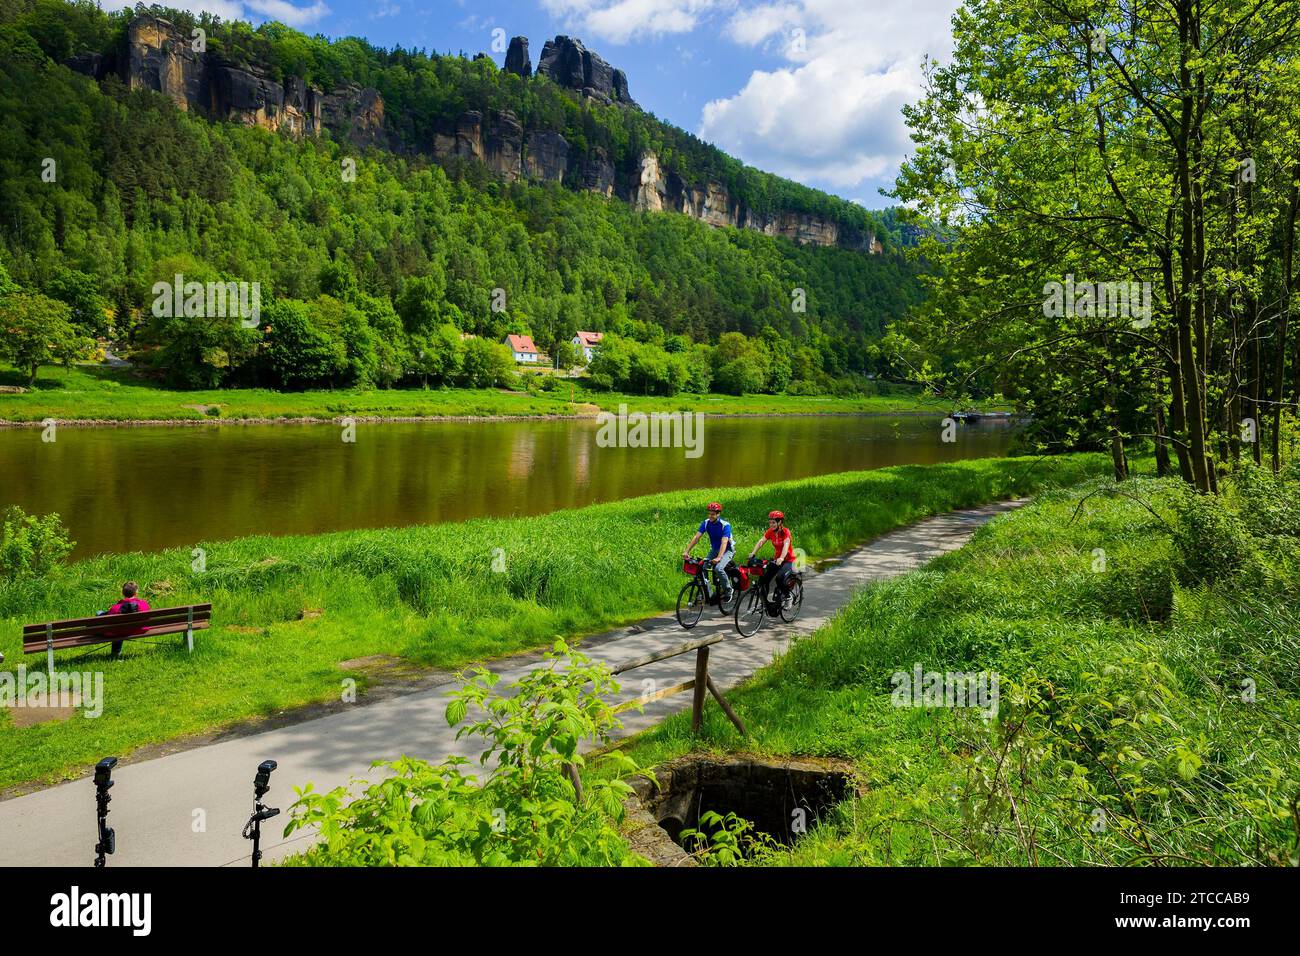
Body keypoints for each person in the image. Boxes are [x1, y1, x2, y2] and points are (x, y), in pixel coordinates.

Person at [683, 502, 734, 603]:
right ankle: (707, 591)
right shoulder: (706, 523)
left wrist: (719, 557)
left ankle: (729, 589)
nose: (710, 516)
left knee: (718, 569)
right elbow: (696, 537)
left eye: (713, 514)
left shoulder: (725, 525)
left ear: (718, 514)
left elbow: (724, 542)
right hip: (715, 550)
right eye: (709, 513)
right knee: (703, 567)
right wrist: (686, 551)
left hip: (727, 550)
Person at [748, 510, 796, 609]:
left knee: (780, 578)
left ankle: (788, 596)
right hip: (777, 560)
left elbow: (786, 545)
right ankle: (763, 603)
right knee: (764, 579)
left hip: (788, 560)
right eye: (770, 522)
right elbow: (761, 541)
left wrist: (782, 558)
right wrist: (753, 553)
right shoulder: (770, 531)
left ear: (780, 522)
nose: (771, 524)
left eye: (773, 522)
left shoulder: (785, 532)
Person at [100, 581, 151, 657]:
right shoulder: (144, 604)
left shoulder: (115, 608)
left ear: (122, 593)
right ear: (136, 593)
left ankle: (115, 653)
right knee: (119, 627)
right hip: (140, 629)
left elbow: (110, 623)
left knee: (100, 613)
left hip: (120, 631)